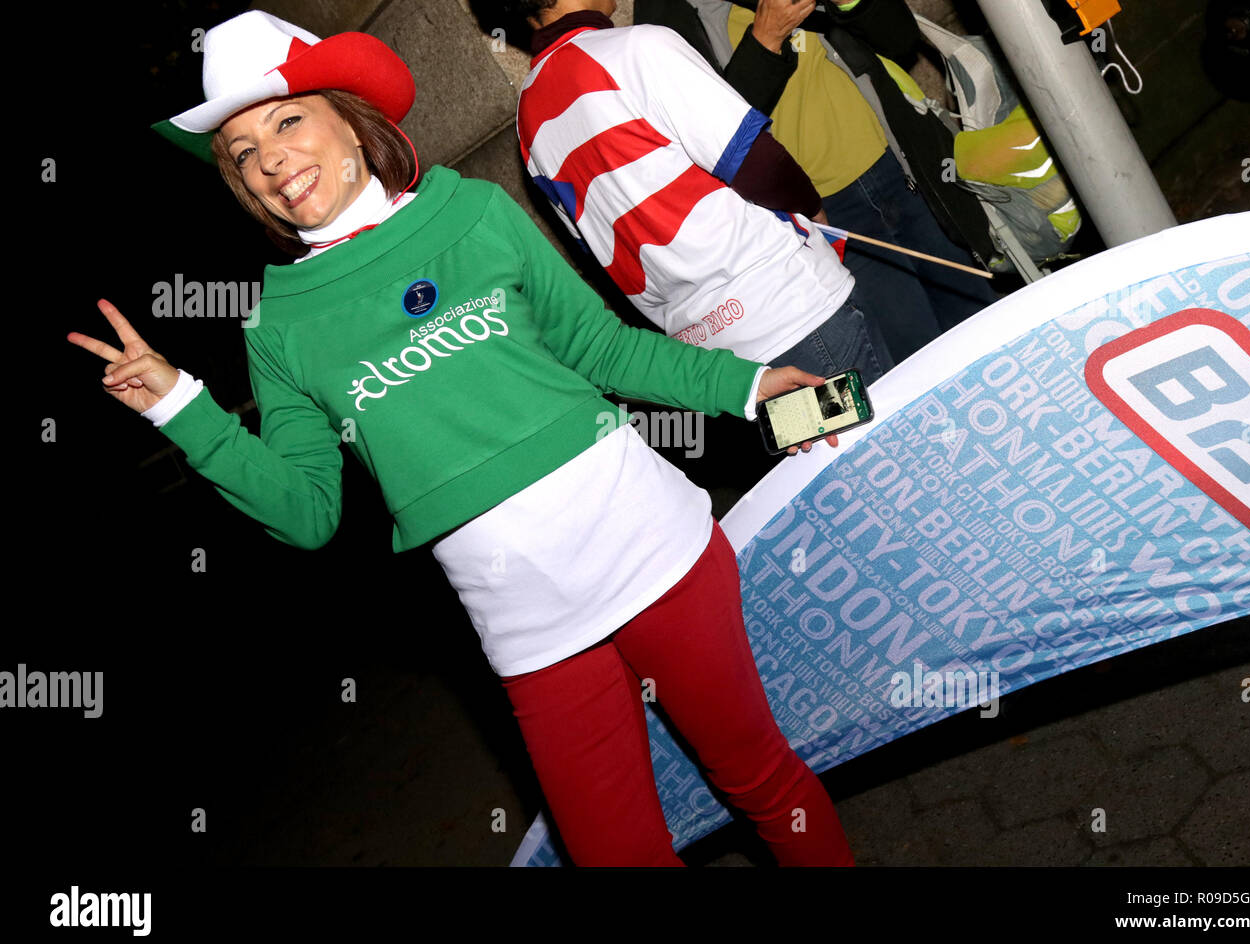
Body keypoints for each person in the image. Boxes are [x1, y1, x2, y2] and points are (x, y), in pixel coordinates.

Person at [68, 10, 855, 867]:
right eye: (244, 152)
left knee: (763, 785)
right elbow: (306, 513)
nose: (271, 160)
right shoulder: (279, 324)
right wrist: (182, 408)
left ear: (349, 120)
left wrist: (747, 386)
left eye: (287, 120)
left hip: (657, 551)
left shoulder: (472, 211)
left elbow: (601, 347)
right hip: (530, 630)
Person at [504, 0, 894, 386]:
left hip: (714, 360)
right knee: (896, 442)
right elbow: (757, 163)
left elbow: (597, 251)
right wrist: (813, 211)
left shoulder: (528, 116)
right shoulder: (639, 48)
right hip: (792, 306)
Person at [634, 0, 1001, 362]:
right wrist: (764, 41)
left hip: (904, 172)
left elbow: (900, 39)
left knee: (988, 330)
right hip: (830, 219)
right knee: (919, 359)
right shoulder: (667, 19)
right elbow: (709, 144)